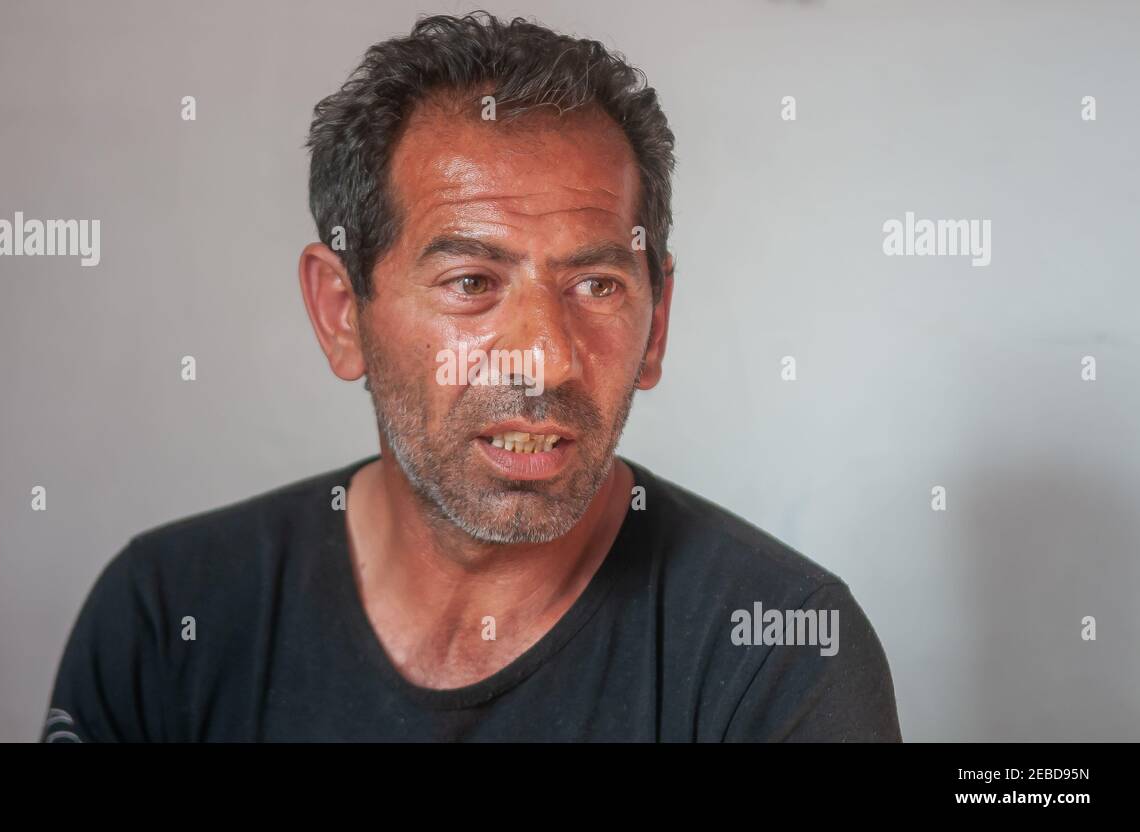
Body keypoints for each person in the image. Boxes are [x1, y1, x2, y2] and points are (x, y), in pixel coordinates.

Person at [44, 11, 901, 742]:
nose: (548, 357)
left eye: (596, 286)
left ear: (656, 324)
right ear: (342, 311)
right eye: (471, 284)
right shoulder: (167, 615)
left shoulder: (778, 654)